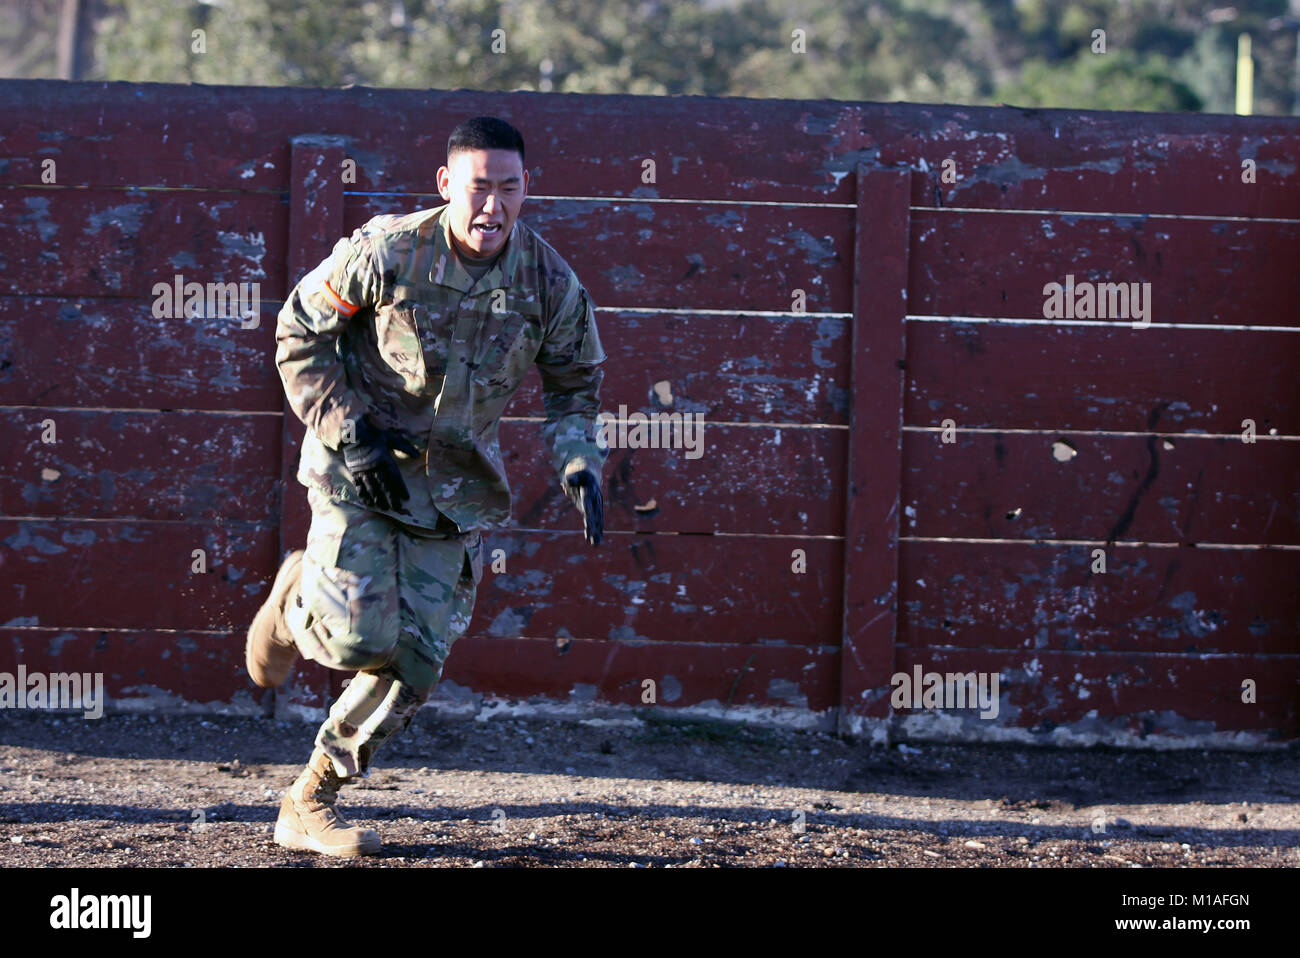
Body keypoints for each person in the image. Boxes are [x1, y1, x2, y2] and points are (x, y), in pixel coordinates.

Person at [245, 116, 607, 857]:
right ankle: (296, 603)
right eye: (479, 188)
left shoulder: (548, 282)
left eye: (509, 189)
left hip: (451, 490)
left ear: (526, 189)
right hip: (360, 465)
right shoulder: (389, 250)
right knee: (357, 636)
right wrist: (350, 431)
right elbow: (298, 332)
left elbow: (575, 385)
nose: (492, 207)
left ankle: (310, 798)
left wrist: (578, 461)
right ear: (447, 186)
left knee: (415, 660)